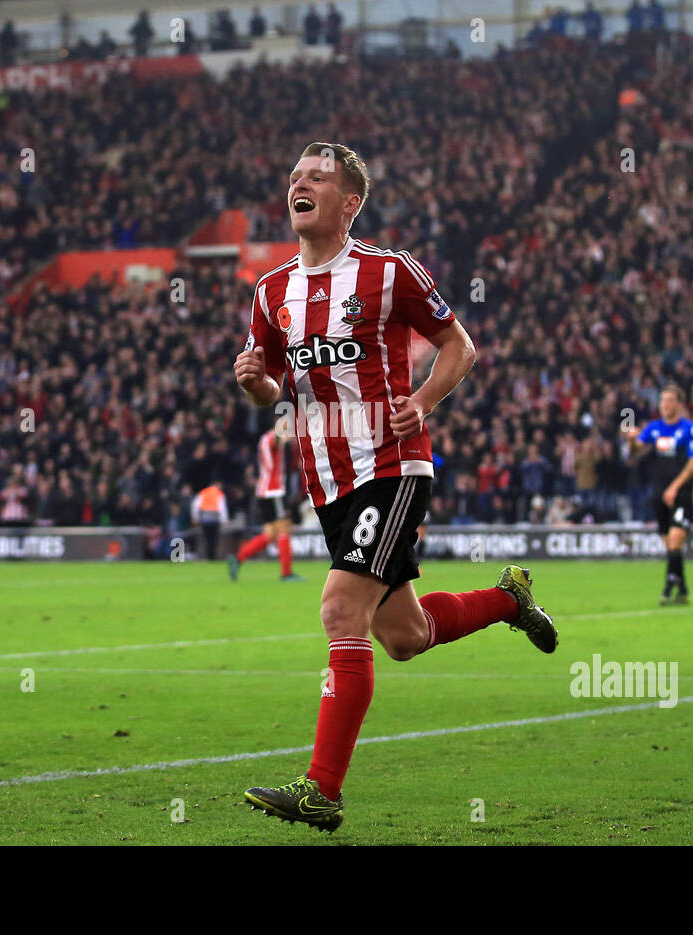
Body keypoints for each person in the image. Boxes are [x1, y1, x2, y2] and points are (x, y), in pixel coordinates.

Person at [234, 141, 556, 832]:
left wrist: (427, 399)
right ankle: (507, 598)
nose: (300, 182)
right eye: (294, 175)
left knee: (338, 609)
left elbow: (459, 347)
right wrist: (258, 384)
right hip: (326, 482)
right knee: (404, 635)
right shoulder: (270, 292)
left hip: (392, 464)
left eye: (317, 177)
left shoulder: (388, 271)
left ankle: (322, 790)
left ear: (349, 203)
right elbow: (270, 391)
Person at [624, 386, 693, 604]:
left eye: (669, 400)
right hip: (659, 492)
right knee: (670, 544)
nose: (665, 404)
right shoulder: (654, 427)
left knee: (676, 539)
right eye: (662, 401)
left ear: (679, 403)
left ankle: (667, 589)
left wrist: (675, 487)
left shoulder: (690, 429)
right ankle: (683, 590)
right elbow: (634, 452)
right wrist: (632, 439)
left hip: (682, 492)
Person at [229, 420, 302, 582]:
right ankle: (286, 573)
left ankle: (238, 558)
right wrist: (283, 433)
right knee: (284, 529)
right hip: (274, 491)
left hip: (265, 491)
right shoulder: (272, 438)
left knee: (269, 533)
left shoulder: (264, 439)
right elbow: (277, 438)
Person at [191, 483, 228, 559]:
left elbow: (195, 505)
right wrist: (224, 520)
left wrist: (195, 518)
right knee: (214, 540)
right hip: (215, 520)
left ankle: (208, 556)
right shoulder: (218, 493)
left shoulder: (204, 492)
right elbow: (222, 508)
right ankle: (212, 556)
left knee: (207, 539)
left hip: (205, 520)